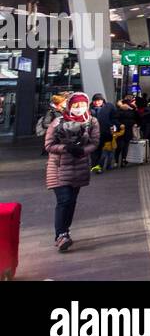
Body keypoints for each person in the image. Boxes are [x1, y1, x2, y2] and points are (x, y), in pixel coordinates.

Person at [44, 92, 99, 252]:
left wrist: (81, 150)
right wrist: (66, 148)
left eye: (82, 105)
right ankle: (61, 235)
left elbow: (95, 142)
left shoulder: (91, 122)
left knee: (71, 201)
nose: (79, 108)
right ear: (69, 106)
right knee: (64, 200)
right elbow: (48, 145)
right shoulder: (58, 122)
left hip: (79, 167)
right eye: (76, 106)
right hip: (59, 167)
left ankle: (64, 231)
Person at [89, 95, 114, 173]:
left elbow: (114, 117)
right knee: (94, 151)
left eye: (99, 100)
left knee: (102, 151)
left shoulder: (108, 108)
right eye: (95, 101)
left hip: (104, 133)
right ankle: (96, 166)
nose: (97, 102)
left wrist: (112, 125)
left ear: (103, 100)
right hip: (92, 134)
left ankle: (99, 165)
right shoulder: (89, 109)